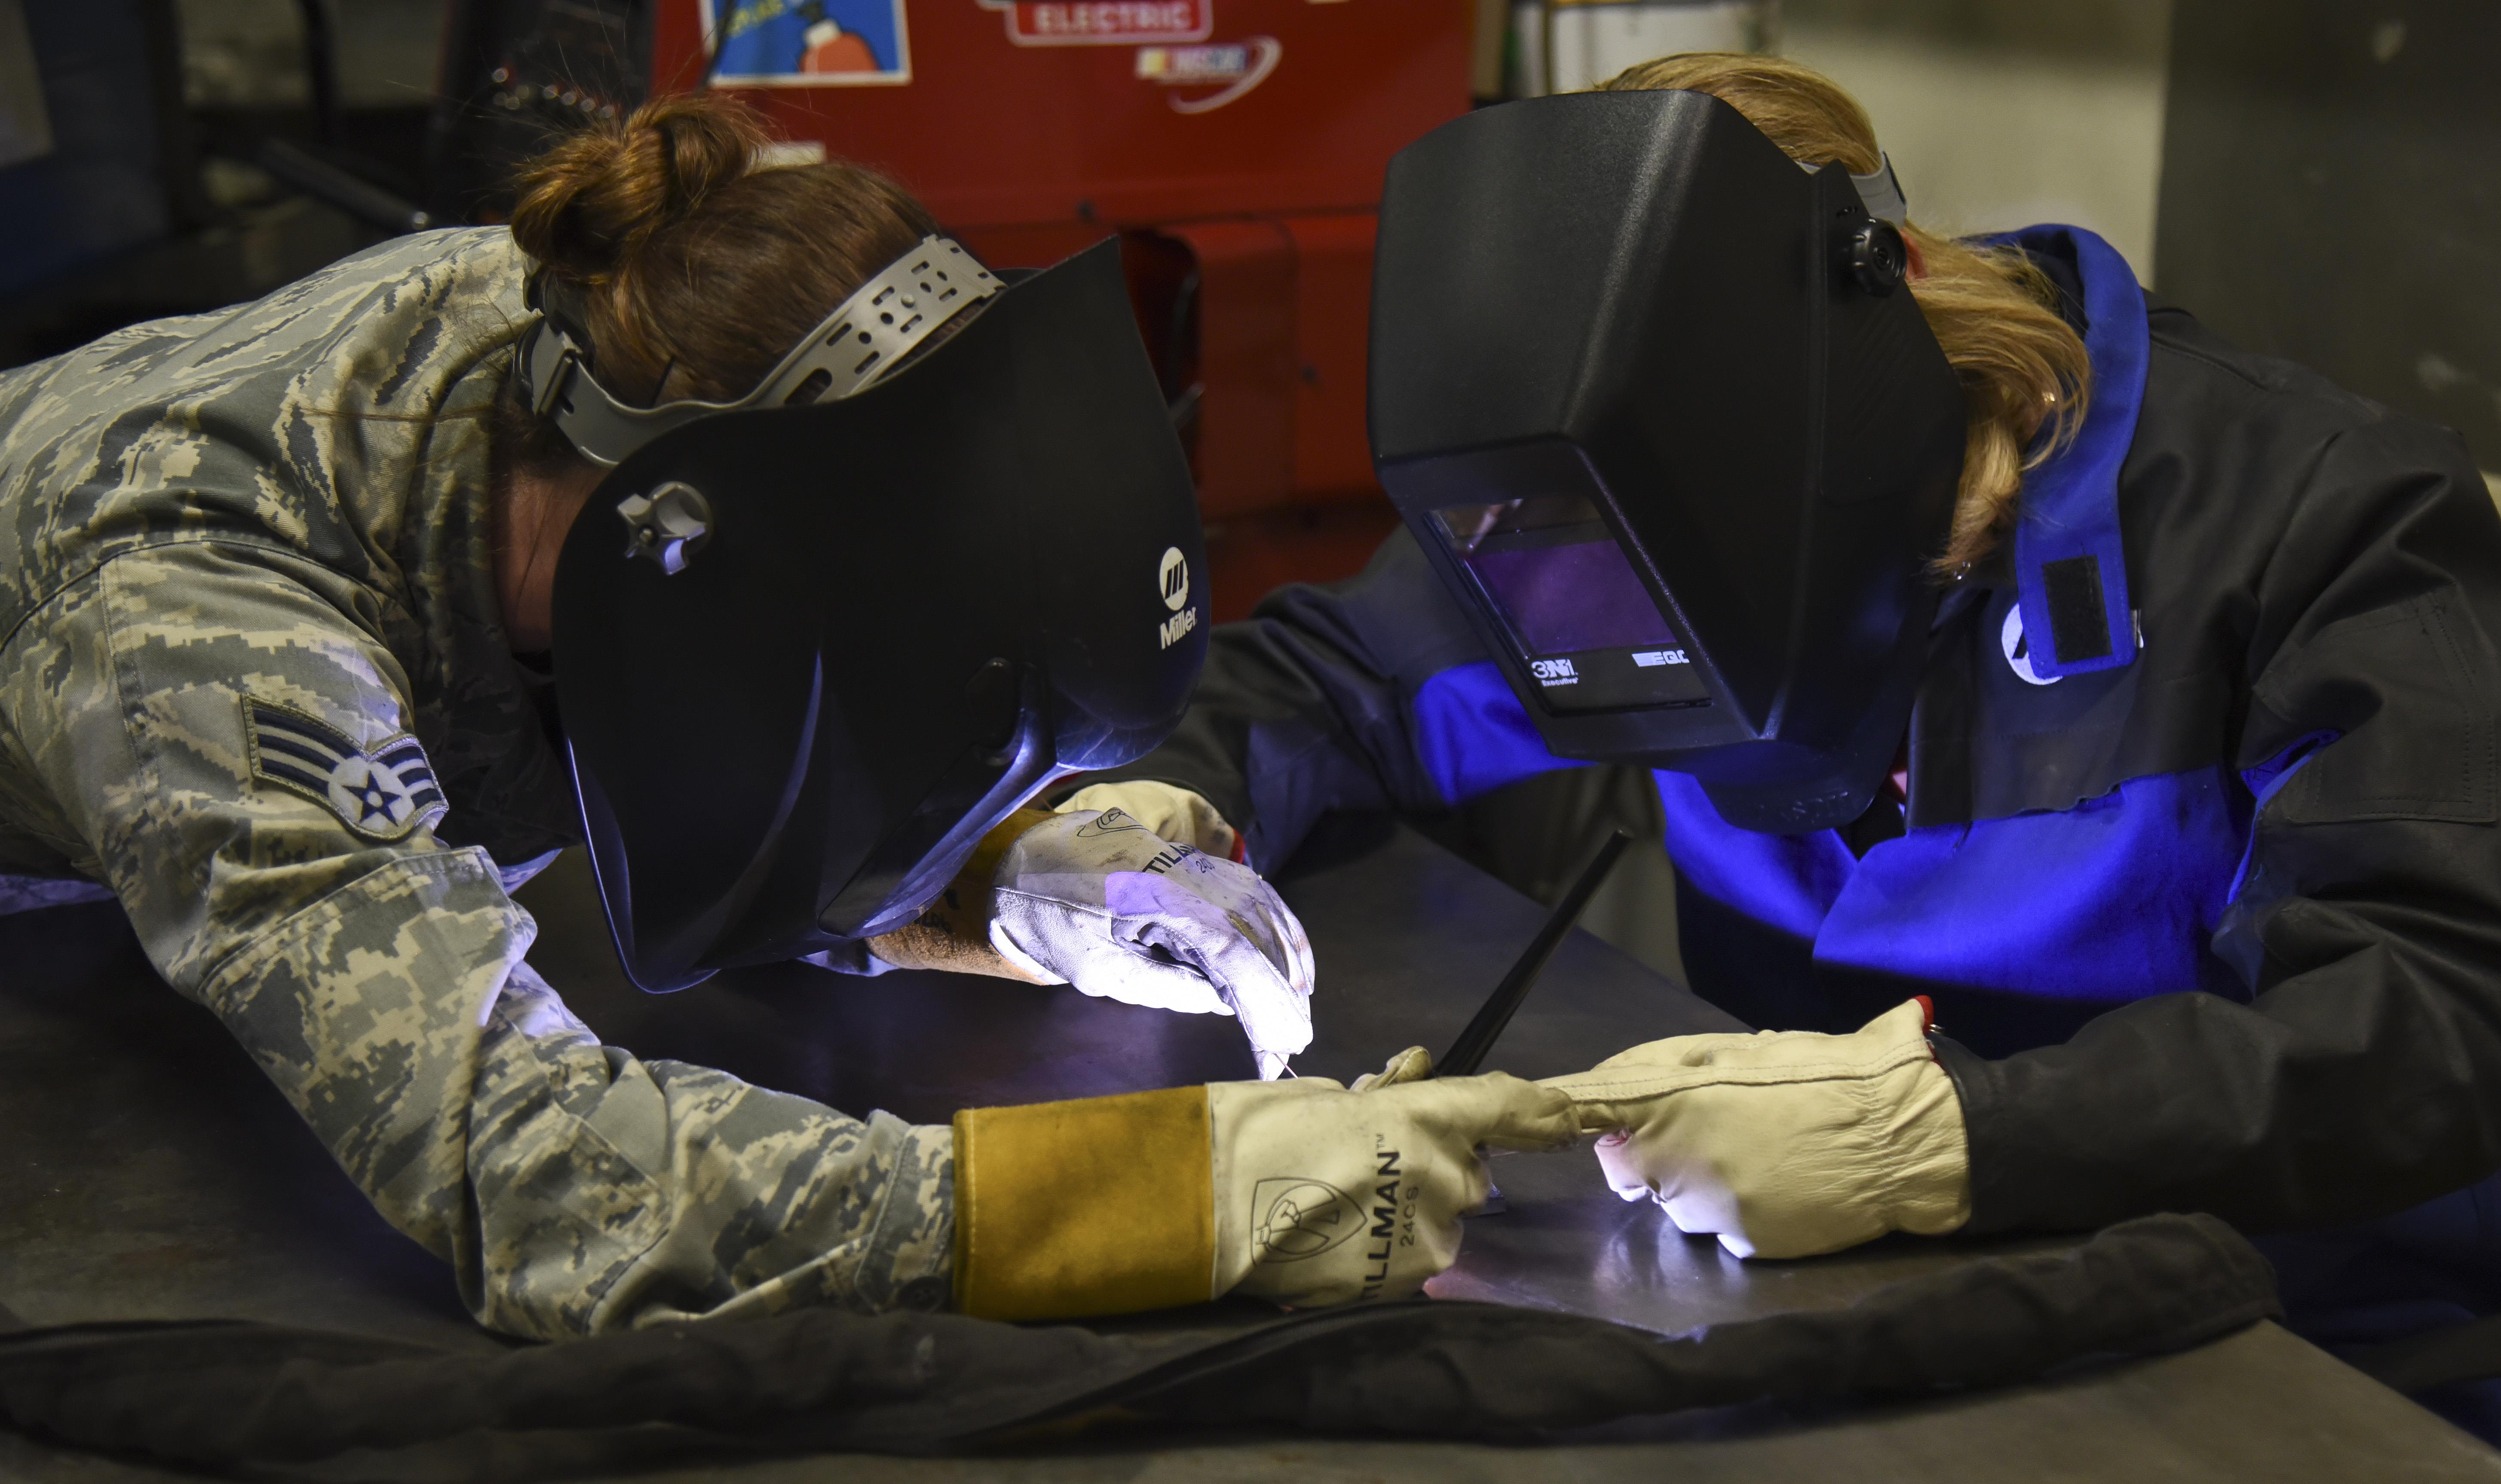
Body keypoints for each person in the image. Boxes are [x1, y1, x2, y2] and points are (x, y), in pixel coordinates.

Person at [1078, 54, 2501, 1444]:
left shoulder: (2317, 519)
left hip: (2266, 1367)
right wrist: (1141, 832)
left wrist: (1959, 1137)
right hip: (1829, 1329)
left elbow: (2438, 1018)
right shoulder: (1611, 507)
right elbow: (1330, 680)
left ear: (1891, 335)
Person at [0, 94, 1585, 1341]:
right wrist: (1168, 1201)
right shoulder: (204, 630)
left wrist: (1014, 888)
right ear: (672, 543)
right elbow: (531, 1179)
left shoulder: (627, 316)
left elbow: (745, 731)